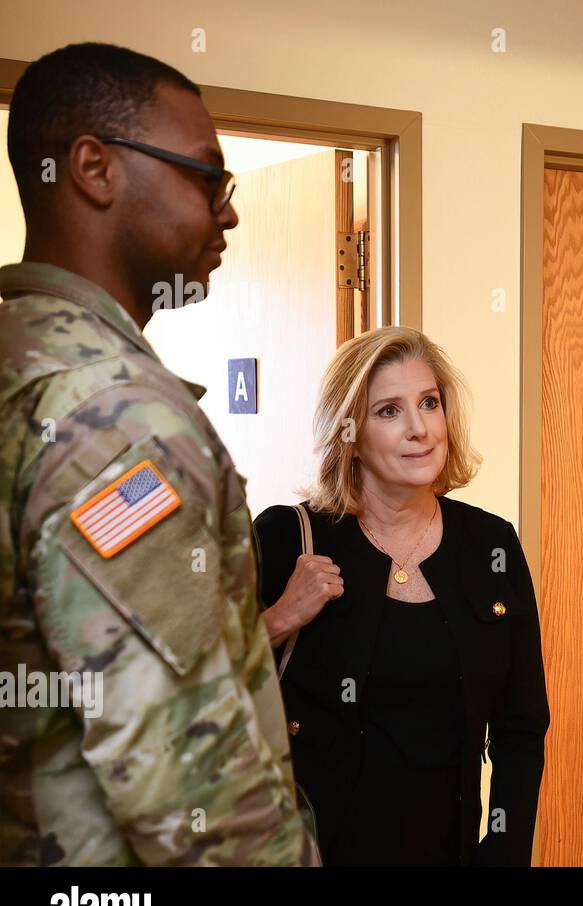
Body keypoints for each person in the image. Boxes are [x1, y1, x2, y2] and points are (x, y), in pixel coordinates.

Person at [0, 43, 316, 864]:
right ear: (95, 169)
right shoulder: (114, 416)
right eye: (207, 177)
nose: (230, 212)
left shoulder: (21, 359)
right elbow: (192, 788)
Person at [253, 326, 549, 866]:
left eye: (429, 403)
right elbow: (197, 693)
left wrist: (505, 852)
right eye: (388, 411)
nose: (419, 429)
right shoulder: (287, 539)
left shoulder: (491, 545)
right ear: (350, 432)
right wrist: (277, 620)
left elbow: (521, 726)